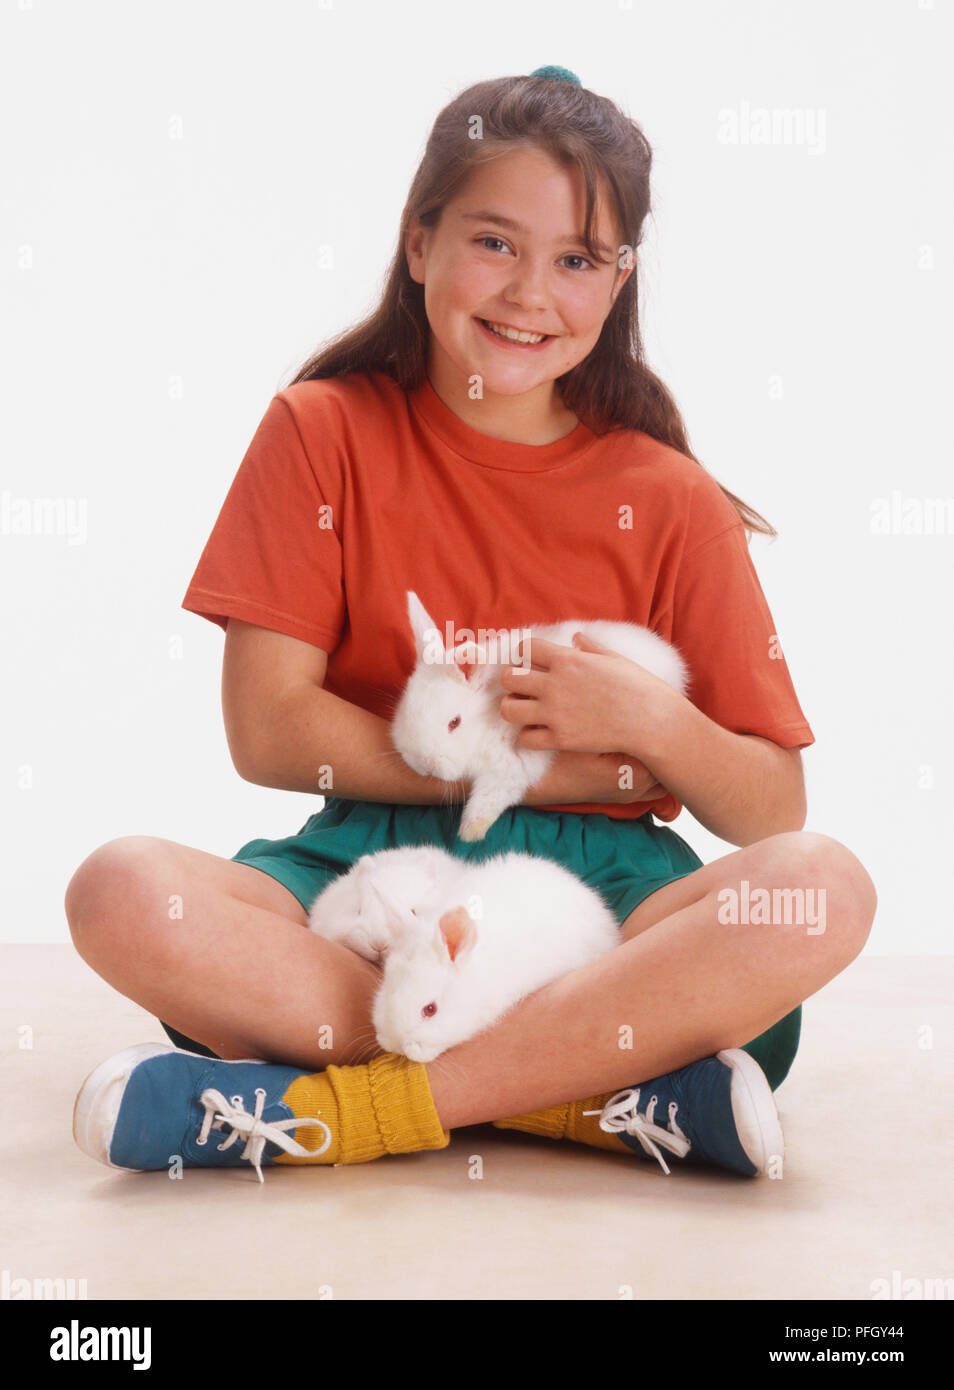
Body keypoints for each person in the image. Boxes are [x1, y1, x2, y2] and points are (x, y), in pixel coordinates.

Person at [65, 67, 876, 1183]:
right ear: (418, 242)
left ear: (619, 279)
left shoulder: (671, 497)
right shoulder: (322, 432)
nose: (530, 292)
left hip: (597, 907)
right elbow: (265, 731)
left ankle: (351, 1110)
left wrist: (651, 721)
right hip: (371, 865)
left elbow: (773, 803)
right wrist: (525, 769)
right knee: (120, 891)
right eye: (496, 241)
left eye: (578, 260)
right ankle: (582, 1092)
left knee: (823, 888)